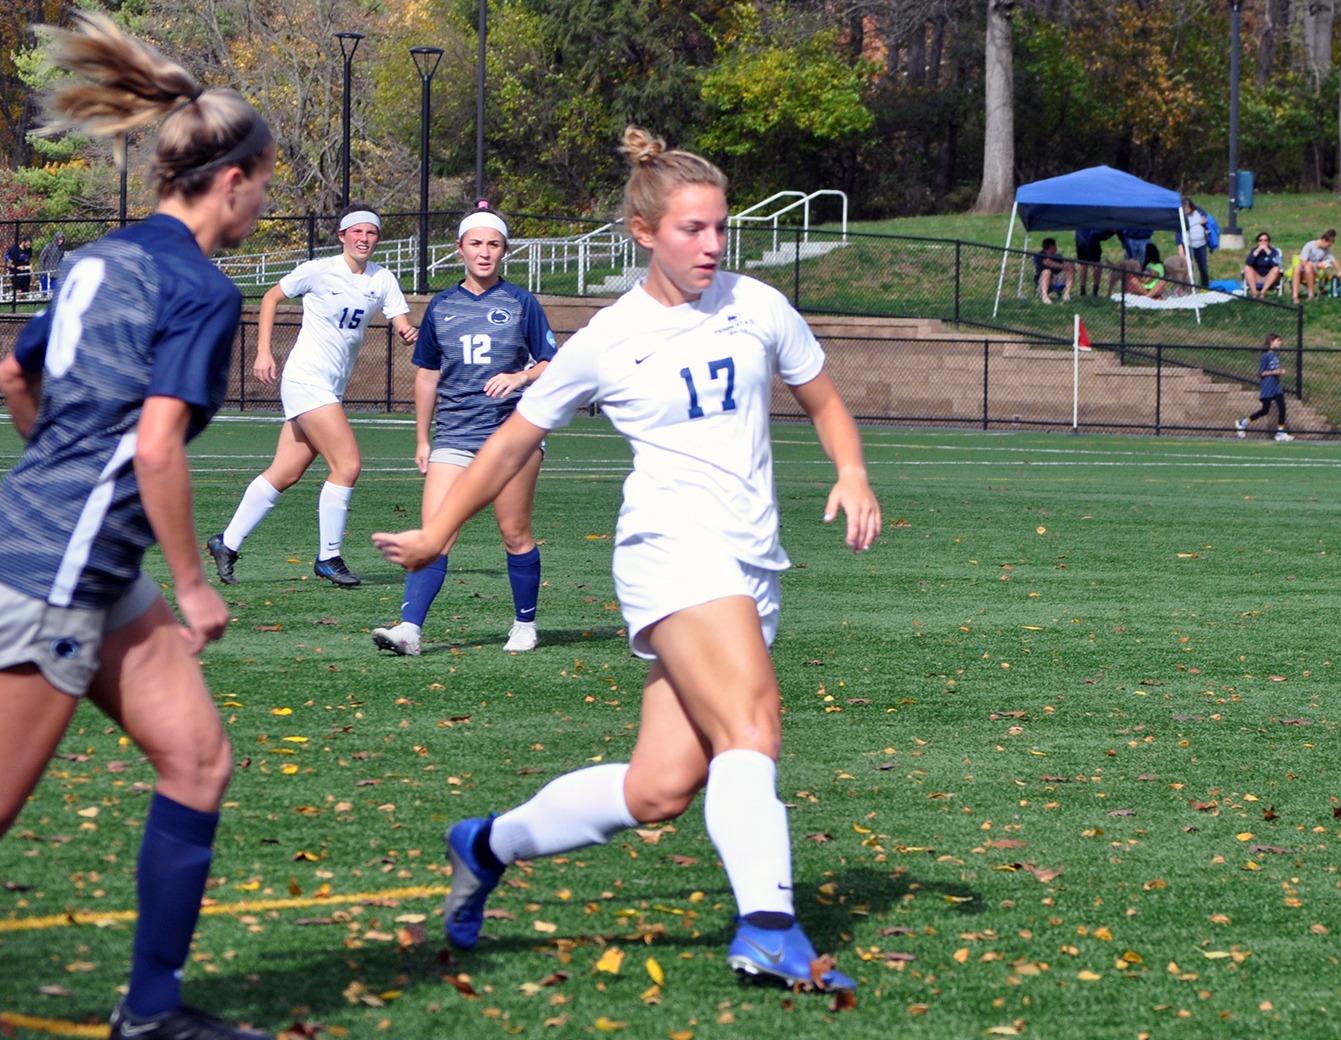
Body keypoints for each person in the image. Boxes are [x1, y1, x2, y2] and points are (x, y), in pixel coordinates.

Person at [373, 126, 881, 993]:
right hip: (671, 553)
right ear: (645, 233)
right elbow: (506, 445)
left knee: (659, 790)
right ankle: (767, 929)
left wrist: (854, 470)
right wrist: (437, 532)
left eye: (721, 228)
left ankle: (485, 843)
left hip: (752, 560)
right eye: (693, 230)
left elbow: (823, 397)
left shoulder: (756, 305)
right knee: (751, 725)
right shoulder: (609, 337)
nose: (713, 245)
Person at [0, 13, 273, 1040]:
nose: (265, 201)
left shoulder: (103, 255)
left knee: (197, 758)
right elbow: (154, 448)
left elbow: (19, 372)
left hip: (74, 559)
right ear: (232, 181)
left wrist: (56, 477)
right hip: (56, 572)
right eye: (263, 182)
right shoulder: (200, 290)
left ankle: (152, 1012)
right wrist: (193, 583)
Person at [370, 209, 557, 657]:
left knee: (514, 533)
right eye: (476, 244)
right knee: (436, 532)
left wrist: (520, 377)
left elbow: (553, 363)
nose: (485, 252)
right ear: (460, 249)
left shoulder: (521, 302)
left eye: (493, 244)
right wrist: (422, 438)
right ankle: (409, 630)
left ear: (504, 251)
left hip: (512, 437)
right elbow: (427, 376)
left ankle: (525, 625)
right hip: (454, 436)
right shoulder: (441, 305)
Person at [206, 205, 417, 588]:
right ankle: (329, 557)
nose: (363, 238)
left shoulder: (382, 279)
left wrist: (410, 332)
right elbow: (271, 298)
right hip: (306, 379)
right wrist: (263, 351)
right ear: (341, 236)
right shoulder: (319, 270)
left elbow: (401, 322)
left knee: (285, 472)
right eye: (356, 232)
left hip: (328, 386)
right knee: (348, 464)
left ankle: (226, 542)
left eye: (371, 233)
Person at [1234, 333, 1291, 442]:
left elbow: (1276, 369)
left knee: (1282, 407)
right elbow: (1261, 373)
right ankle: (1243, 423)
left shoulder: (1274, 355)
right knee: (1265, 410)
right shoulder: (1265, 356)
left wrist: (1280, 372)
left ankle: (1280, 433)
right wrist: (1274, 372)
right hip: (1268, 386)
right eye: (1278, 340)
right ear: (1271, 341)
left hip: (1276, 386)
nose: (1280, 343)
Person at [1293, 229, 1341, 303]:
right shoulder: (1309, 245)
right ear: (1323, 240)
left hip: (1313, 272)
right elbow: (1303, 262)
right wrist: (1317, 265)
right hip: (1303, 270)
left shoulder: (1326, 250)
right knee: (1297, 268)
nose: (1328, 247)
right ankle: (1295, 297)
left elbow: (1334, 261)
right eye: (1328, 244)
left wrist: (1339, 270)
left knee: (1308, 268)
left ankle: (1311, 295)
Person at [1181, 197, 1211, 286]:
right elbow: (1179, 231)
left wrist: (1204, 222)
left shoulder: (1198, 211)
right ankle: (1189, 285)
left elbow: (1206, 219)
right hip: (1189, 244)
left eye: (1187, 207)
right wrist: (1180, 246)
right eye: (1184, 208)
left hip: (1201, 243)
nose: (1186, 210)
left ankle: (1205, 286)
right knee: (1189, 266)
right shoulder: (1182, 216)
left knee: (1203, 267)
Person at [1073, 227, 1112, 296]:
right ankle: (1094, 290)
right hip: (1089, 237)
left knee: (1084, 264)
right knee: (1096, 264)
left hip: (1082, 237)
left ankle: (1083, 290)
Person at [1034, 237, 1071, 303]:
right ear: (1051, 246)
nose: (1056, 248)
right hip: (1044, 279)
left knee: (1070, 267)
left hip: (1057, 277)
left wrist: (1068, 266)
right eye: (1055, 245)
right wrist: (1063, 266)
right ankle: (1045, 297)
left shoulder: (1057, 256)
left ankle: (1066, 294)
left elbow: (1065, 264)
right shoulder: (1041, 254)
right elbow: (1048, 263)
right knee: (1047, 271)